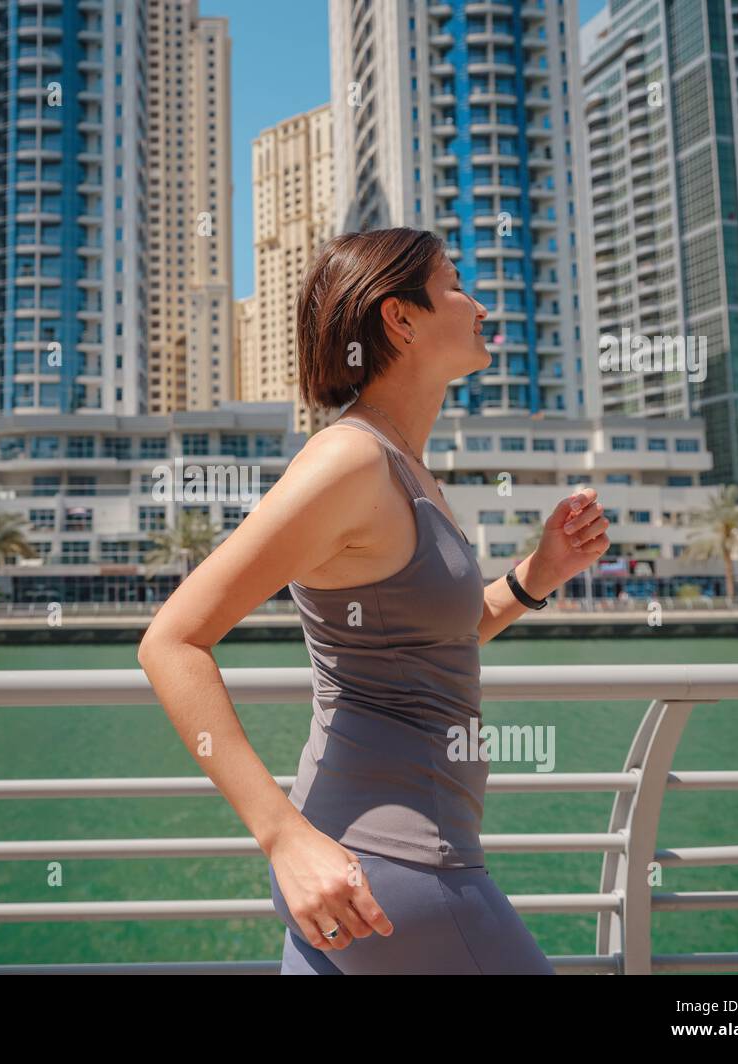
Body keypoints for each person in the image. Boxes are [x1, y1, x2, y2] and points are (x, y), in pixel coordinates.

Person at [138, 228, 612, 974]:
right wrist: (283, 838)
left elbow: (423, 642)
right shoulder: (350, 460)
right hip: (396, 874)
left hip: (357, 873)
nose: (479, 304)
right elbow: (172, 641)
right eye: (456, 284)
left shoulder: (407, 467)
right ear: (402, 319)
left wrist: (537, 576)